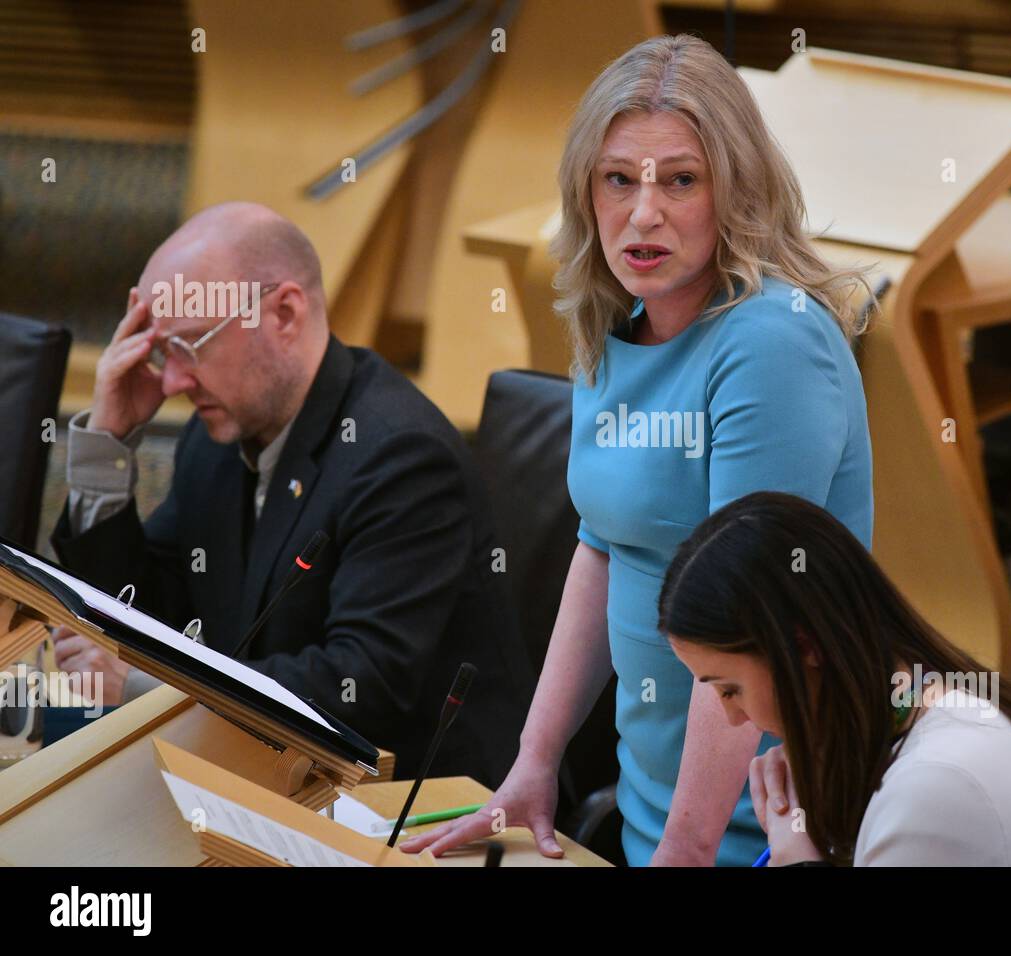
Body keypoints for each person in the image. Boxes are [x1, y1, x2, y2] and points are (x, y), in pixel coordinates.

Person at [401, 34, 873, 866]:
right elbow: (604, 545)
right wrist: (535, 763)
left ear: (738, 191)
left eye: (681, 181)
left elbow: (751, 620)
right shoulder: (616, 319)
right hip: (654, 810)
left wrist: (684, 852)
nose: (643, 213)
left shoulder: (771, 343)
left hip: (773, 825)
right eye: (619, 179)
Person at [50, 201, 534, 784]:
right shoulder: (216, 439)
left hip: (410, 809)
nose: (173, 381)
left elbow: (358, 685)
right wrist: (106, 447)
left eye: (192, 345)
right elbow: (144, 610)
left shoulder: (400, 455)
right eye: (162, 352)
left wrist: (139, 687)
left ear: (283, 313)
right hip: (259, 772)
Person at [662, 492, 1011, 866]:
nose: (733, 717)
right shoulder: (930, 695)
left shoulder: (931, 790)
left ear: (804, 644)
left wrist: (798, 862)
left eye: (730, 689)